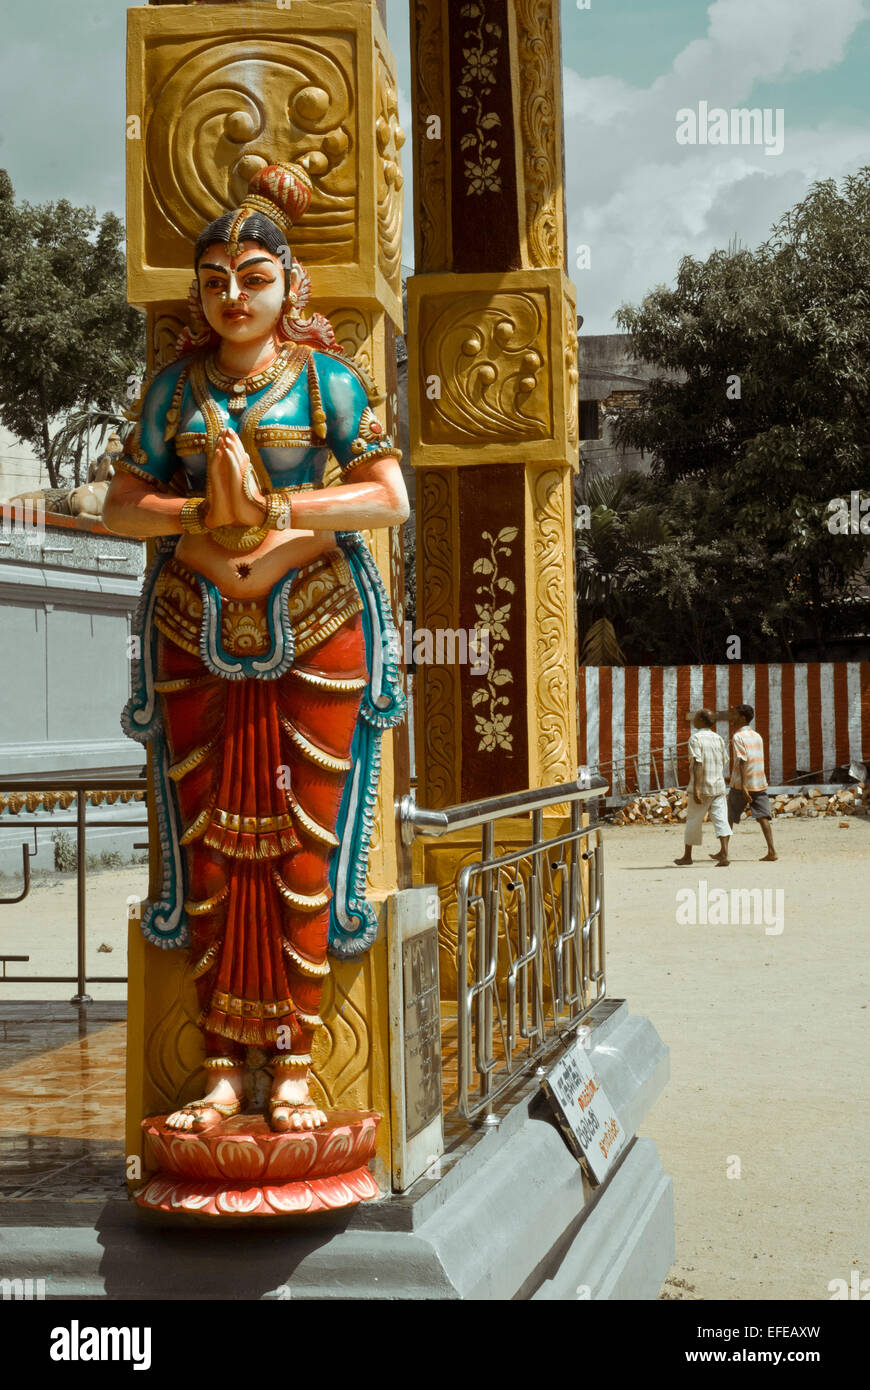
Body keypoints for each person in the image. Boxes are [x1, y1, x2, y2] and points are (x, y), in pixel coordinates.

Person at [103, 161, 408, 1134]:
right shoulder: (176, 386)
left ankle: (296, 1067)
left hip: (314, 629)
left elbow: (388, 496)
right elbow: (121, 507)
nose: (233, 296)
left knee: (303, 856)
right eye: (215, 280)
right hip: (196, 633)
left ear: (292, 286)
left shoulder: (324, 380)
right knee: (210, 863)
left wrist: (275, 504)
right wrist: (201, 508)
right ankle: (224, 1071)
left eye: (254, 277)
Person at [674, 710, 731, 867]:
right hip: (718, 786)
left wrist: (697, 787)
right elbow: (725, 760)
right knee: (721, 819)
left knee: (693, 820)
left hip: (701, 787)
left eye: (696, 717)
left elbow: (698, 763)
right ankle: (724, 854)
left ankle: (687, 856)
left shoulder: (695, 738)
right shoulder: (718, 738)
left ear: (700, 720)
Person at [727, 704, 777, 862]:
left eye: (734, 715)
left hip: (742, 784)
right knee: (763, 817)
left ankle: (723, 851)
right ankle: (772, 851)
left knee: (729, 816)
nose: (731, 718)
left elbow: (742, 761)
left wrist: (743, 786)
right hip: (759, 782)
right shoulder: (757, 736)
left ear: (742, 718)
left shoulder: (737, 736)